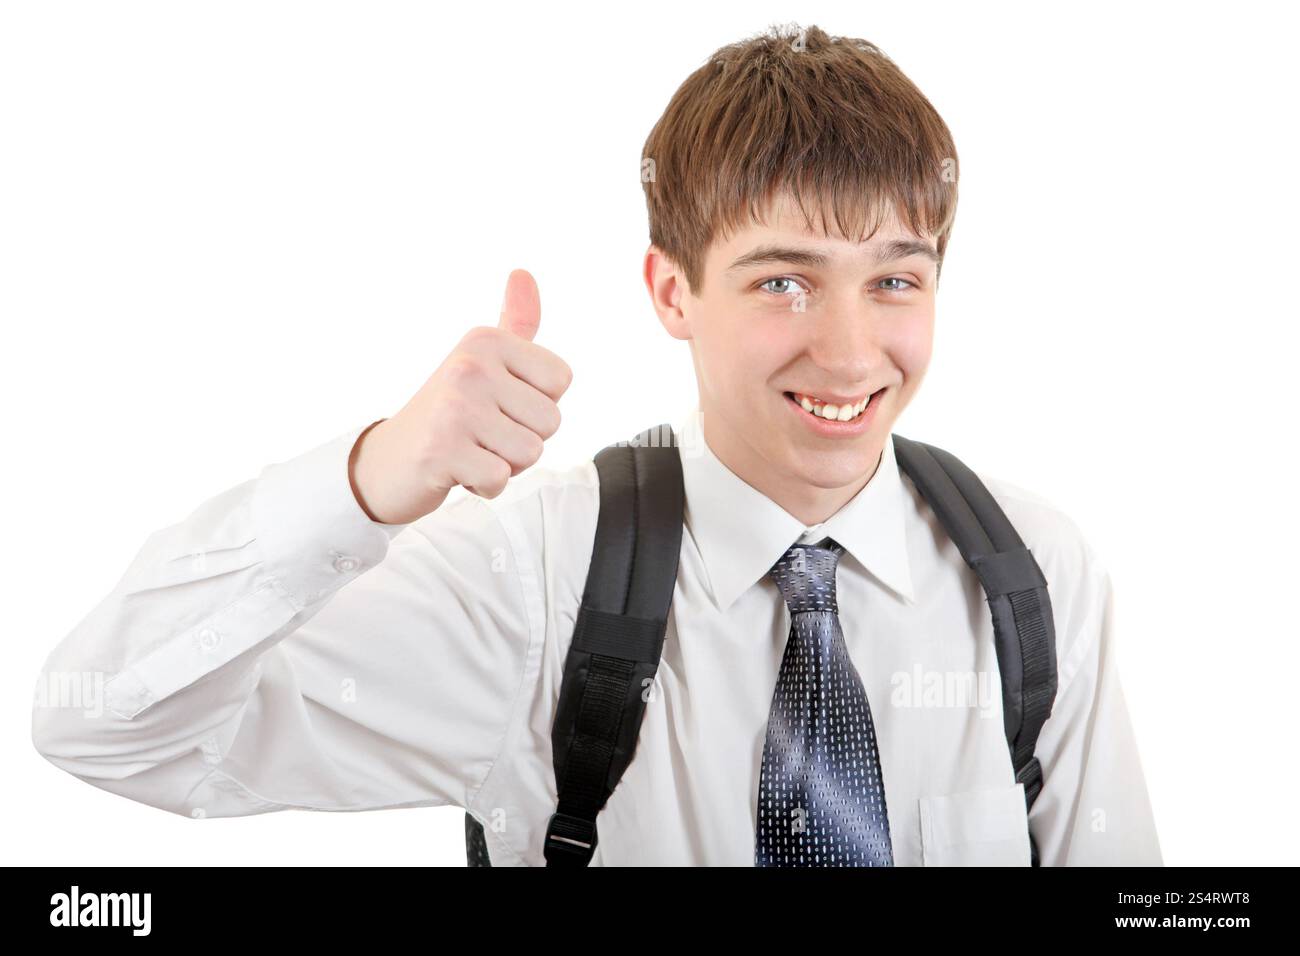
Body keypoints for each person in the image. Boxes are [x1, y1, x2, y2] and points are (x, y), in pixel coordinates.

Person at [31, 23, 1161, 866]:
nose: (850, 347)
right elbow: (105, 726)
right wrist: (371, 479)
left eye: (894, 279)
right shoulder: (534, 579)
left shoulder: (1029, 572)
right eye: (783, 279)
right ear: (672, 290)